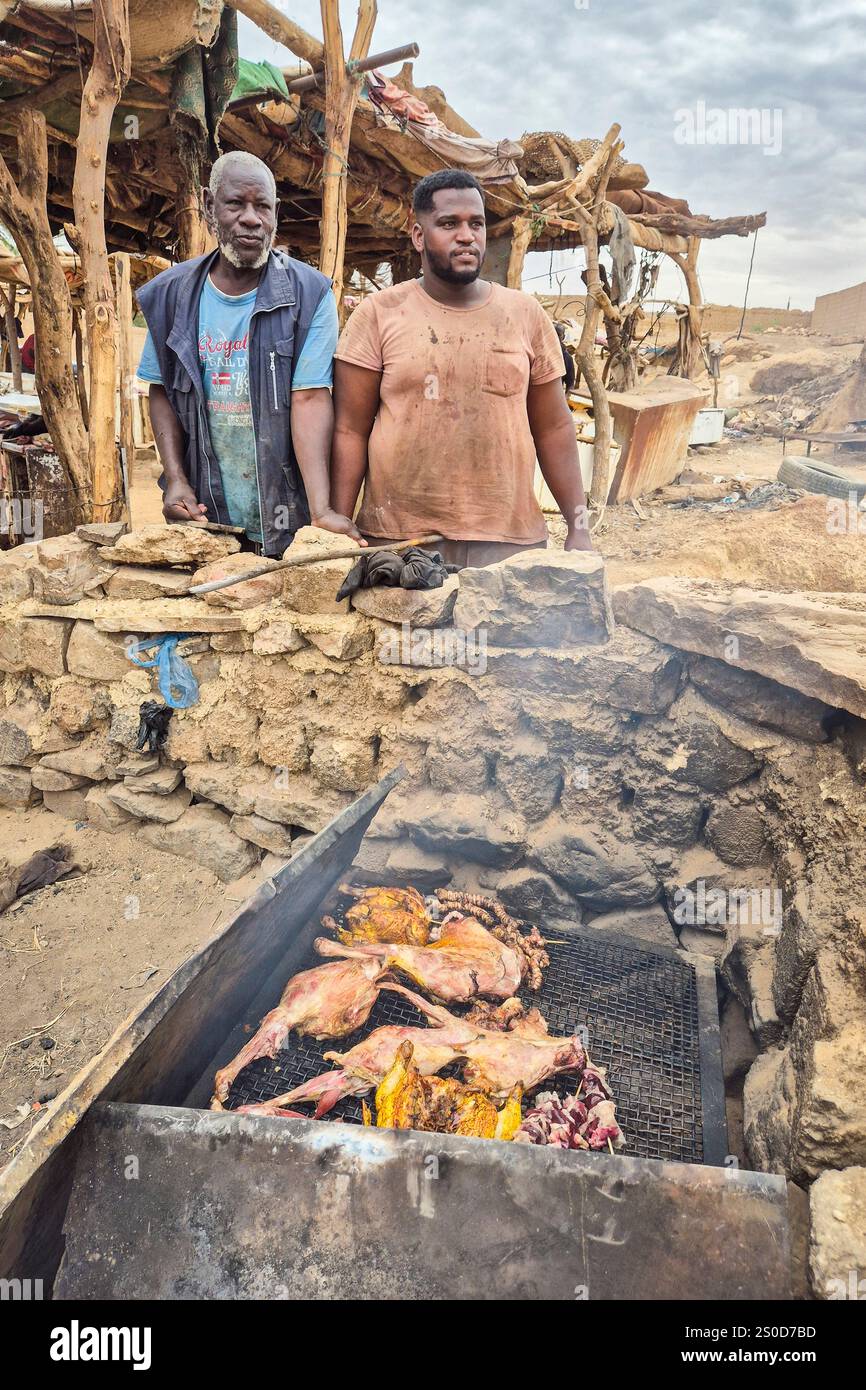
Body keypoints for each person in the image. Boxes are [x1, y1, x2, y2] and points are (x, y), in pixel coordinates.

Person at [330, 168, 592, 567]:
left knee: (511, 632)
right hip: (399, 541)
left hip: (507, 541)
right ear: (419, 236)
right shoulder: (379, 314)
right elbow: (350, 428)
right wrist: (340, 525)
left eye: (477, 224)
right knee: (405, 632)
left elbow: (554, 427)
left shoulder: (524, 315)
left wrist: (579, 527)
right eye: (449, 224)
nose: (466, 236)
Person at [136, 150, 361, 555]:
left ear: (276, 214)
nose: (251, 219)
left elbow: (310, 397)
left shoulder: (311, 296)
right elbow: (161, 390)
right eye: (236, 203)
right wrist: (175, 479)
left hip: (286, 507)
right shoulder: (169, 296)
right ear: (208, 205)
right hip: (205, 510)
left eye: (263, 207)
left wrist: (321, 508)